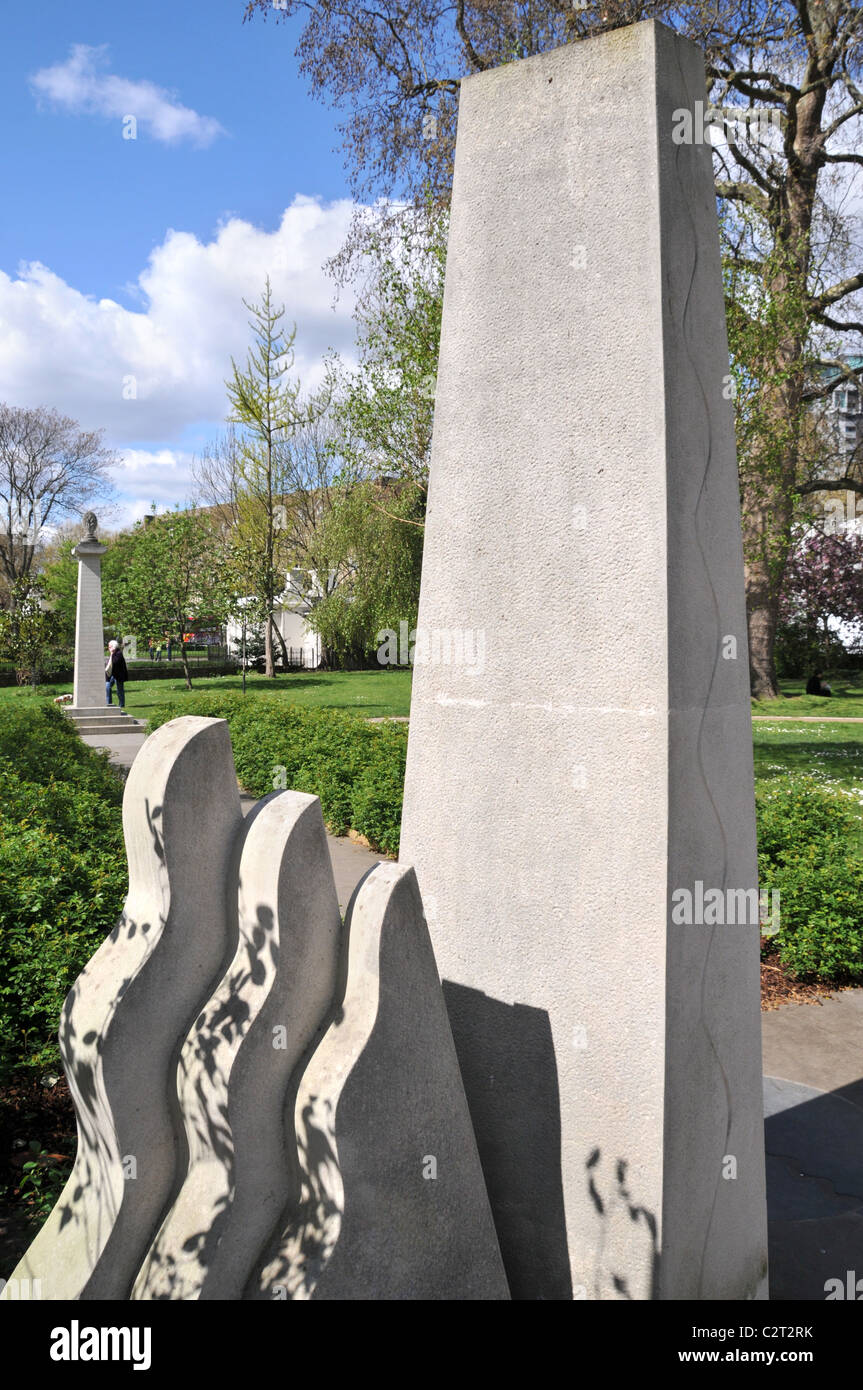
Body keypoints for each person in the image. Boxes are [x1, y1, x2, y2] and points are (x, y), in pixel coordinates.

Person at [105, 639, 129, 710]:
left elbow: (115, 662)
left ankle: (121, 704)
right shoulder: (113, 653)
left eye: (109, 647)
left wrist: (112, 654)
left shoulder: (118, 653)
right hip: (111, 675)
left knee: (120, 690)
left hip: (119, 675)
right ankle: (109, 703)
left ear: (113, 647)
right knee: (107, 687)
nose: (108, 648)